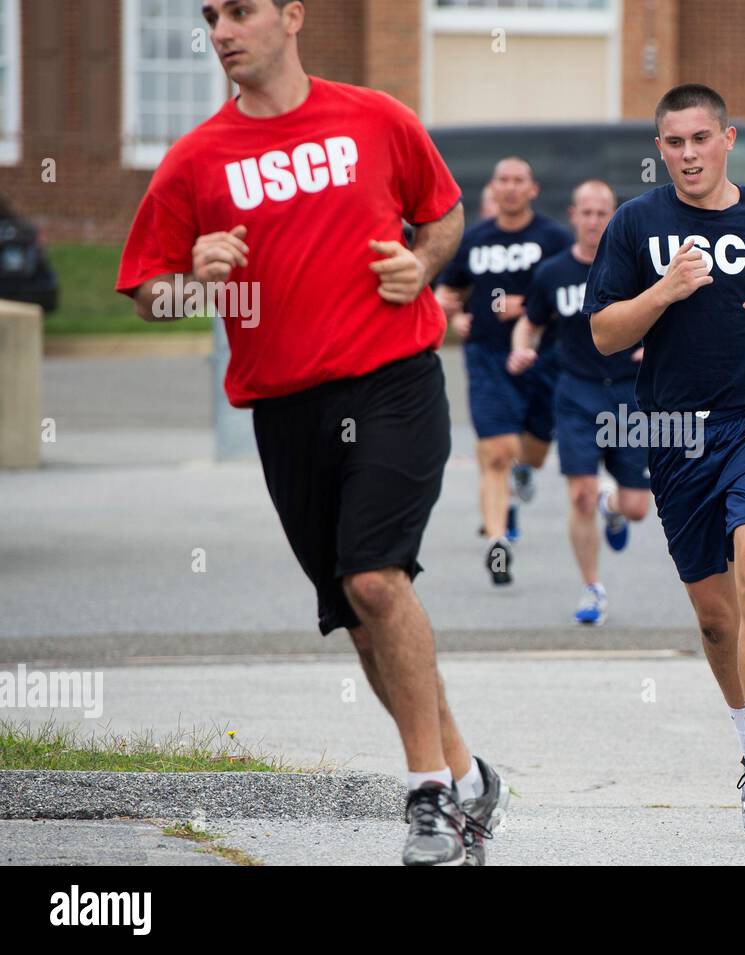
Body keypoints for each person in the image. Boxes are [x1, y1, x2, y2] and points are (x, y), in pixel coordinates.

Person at [115, 0, 507, 866]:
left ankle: (427, 796)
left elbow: (443, 214)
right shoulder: (195, 160)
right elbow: (150, 295)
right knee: (364, 618)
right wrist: (193, 277)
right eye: (210, 14)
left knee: (374, 578)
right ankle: (470, 773)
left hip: (394, 381)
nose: (222, 29)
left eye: (241, 10)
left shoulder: (375, 119)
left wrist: (423, 264)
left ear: (292, 16)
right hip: (287, 412)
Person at [584, 84, 745, 836]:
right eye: (674, 142)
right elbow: (602, 333)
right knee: (715, 615)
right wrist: (662, 292)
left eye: (700, 138)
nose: (688, 154)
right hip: (675, 436)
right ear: (659, 148)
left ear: (727, 139)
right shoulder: (637, 225)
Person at [509, 180, 650, 625]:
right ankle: (592, 588)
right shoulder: (552, 273)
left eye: (602, 212)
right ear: (573, 215)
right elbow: (528, 323)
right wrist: (521, 348)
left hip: (630, 393)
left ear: (615, 216)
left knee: (636, 508)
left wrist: (658, 346)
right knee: (581, 494)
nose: (594, 221)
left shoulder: (636, 269)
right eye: (586, 212)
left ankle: (613, 510)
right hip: (577, 391)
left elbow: (668, 314)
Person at [435, 158, 571, 584]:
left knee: (533, 449)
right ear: (494, 189)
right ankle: (498, 543)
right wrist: (452, 312)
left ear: (532, 189)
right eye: (503, 182)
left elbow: (571, 291)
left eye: (519, 181)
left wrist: (529, 309)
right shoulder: (474, 240)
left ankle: (524, 471)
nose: (510, 188)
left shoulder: (553, 239)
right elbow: (449, 287)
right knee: (496, 450)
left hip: (542, 358)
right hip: (488, 356)